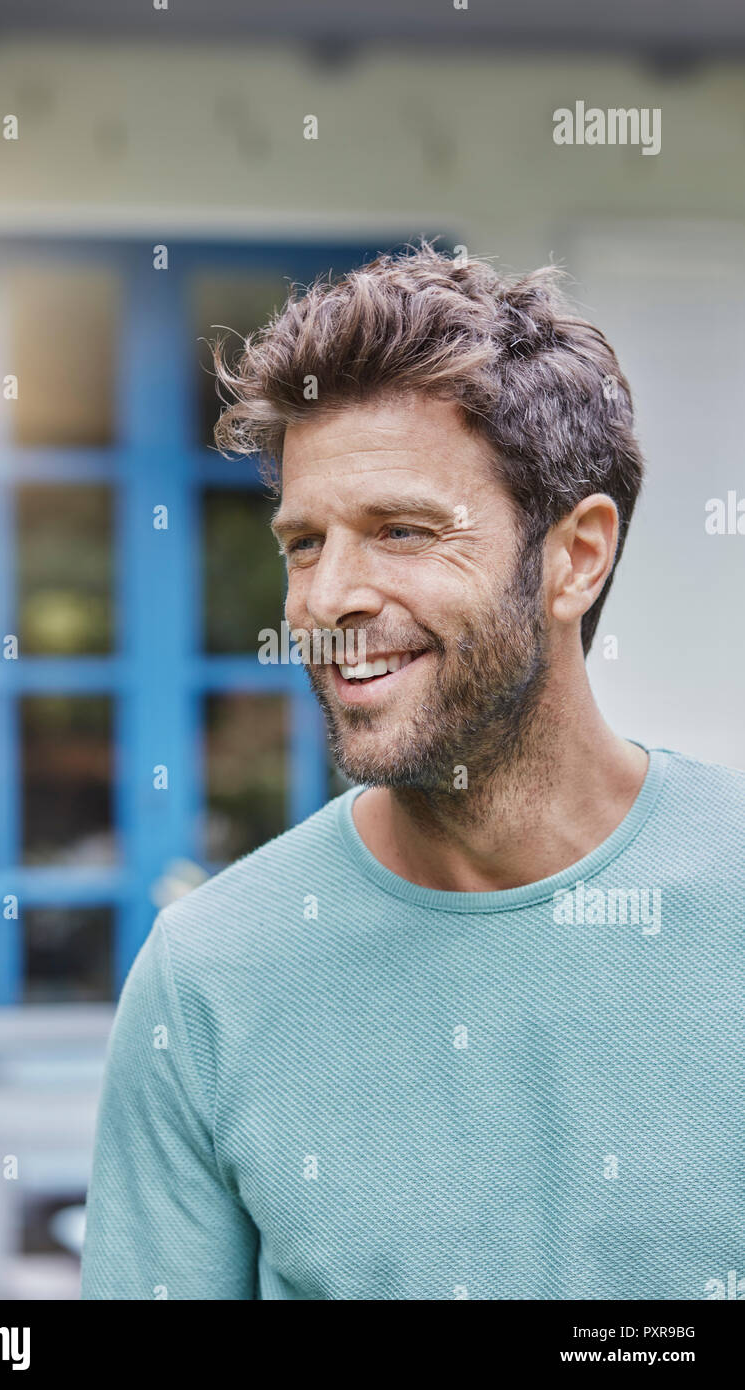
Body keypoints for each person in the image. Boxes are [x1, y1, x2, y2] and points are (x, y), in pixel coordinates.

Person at [81, 242, 745, 1300]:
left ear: (574, 556)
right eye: (303, 544)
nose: (326, 598)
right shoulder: (204, 981)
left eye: (400, 530)